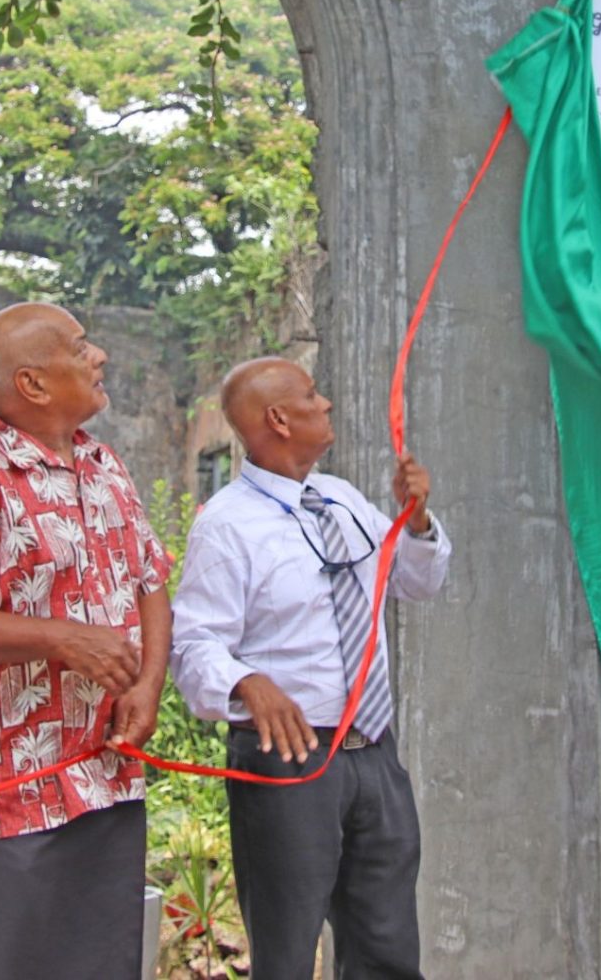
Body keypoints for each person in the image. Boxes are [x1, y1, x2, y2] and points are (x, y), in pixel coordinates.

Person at [0, 302, 173, 980]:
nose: (99, 357)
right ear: (32, 384)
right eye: (81, 348)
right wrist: (62, 640)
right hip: (7, 794)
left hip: (105, 778)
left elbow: (151, 581)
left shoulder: (105, 467)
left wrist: (147, 687)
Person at [169, 356, 452, 980]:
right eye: (313, 395)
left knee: (387, 944)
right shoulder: (226, 525)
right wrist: (246, 682)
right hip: (291, 762)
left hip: (374, 753)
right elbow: (192, 647)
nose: (325, 405)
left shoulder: (343, 499)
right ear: (278, 419)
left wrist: (418, 520)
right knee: (287, 949)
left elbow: (414, 581)